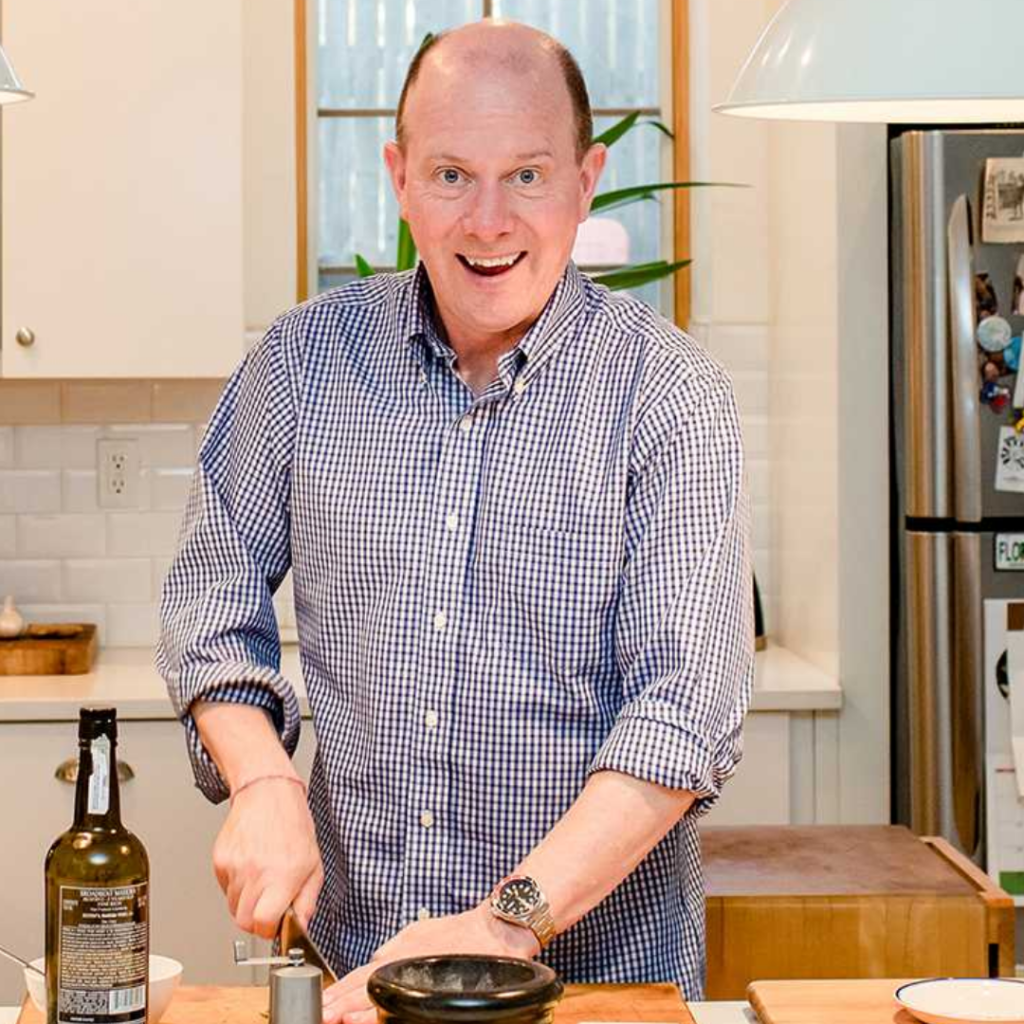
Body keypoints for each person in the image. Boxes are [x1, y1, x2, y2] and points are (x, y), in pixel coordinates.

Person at [157, 18, 753, 1024]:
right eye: (449, 175)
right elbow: (209, 602)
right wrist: (262, 781)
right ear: (399, 178)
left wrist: (504, 924)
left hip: (593, 987)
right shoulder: (302, 364)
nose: (487, 221)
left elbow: (683, 716)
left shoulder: (669, 394)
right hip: (354, 977)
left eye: (526, 175)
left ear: (585, 181)